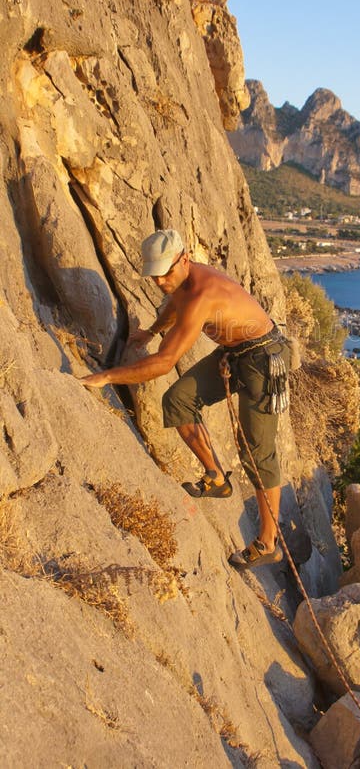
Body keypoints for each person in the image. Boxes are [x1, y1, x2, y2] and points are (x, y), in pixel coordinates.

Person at [80, 229, 290, 568]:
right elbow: (173, 306)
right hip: (235, 353)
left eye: (166, 273)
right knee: (178, 400)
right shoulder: (182, 284)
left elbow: (165, 362)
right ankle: (216, 478)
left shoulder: (202, 295)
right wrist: (153, 330)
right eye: (155, 275)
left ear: (185, 260)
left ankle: (268, 544)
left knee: (256, 452)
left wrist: (106, 377)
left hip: (263, 360)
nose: (160, 281)